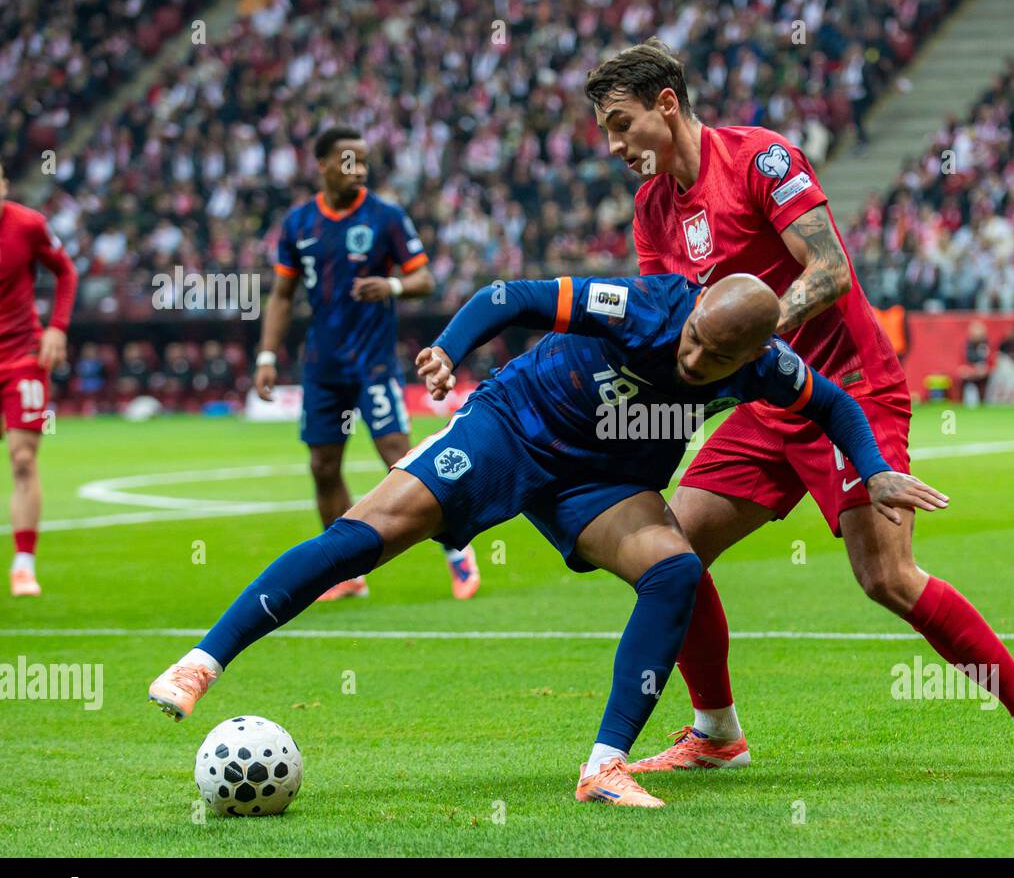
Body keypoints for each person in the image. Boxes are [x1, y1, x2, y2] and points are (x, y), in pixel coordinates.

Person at [147, 272, 948, 807]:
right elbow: (512, 296)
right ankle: (201, 661)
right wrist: (448, 350)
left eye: (714, 356)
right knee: (371, 532)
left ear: (751, 356)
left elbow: (838, 405)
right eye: (696, 336)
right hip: (515, 424)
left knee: (674, 572)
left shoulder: (767, 368)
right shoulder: (646, 308)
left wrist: (873, 469)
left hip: (603, 480)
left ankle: (604, 765)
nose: (694, 355)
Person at [586, 40, 1014, 784]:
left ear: (668, 103)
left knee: (887, 576)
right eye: (606, 131)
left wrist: (753, 332)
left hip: (847, 385)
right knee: (673, 553)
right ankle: (717, 731)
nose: (615, 145)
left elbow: (829, 270)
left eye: (623, 123)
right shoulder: (652, 209)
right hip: (765, 403)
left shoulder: (761, 160)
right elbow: (670, 325)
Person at [256, 126, 480, 601]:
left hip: (373, 362)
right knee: (322, 465)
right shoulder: (298, 224)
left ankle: (457, 551)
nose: (358, 168)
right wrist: (267, 355)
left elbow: (422, 279)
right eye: (347, 160)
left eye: (362, 160)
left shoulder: (386, 217)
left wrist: (391, 286)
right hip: (322, 366)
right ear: (321, 164)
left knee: (400, 457)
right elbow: (281, 296)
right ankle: (345, 573)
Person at [0, 160, 78, 597]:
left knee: (23, 458)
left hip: (22, 355)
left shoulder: (28, 225)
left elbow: (65, 271)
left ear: (5, 184)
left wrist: (57, 326)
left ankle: (23, 565)